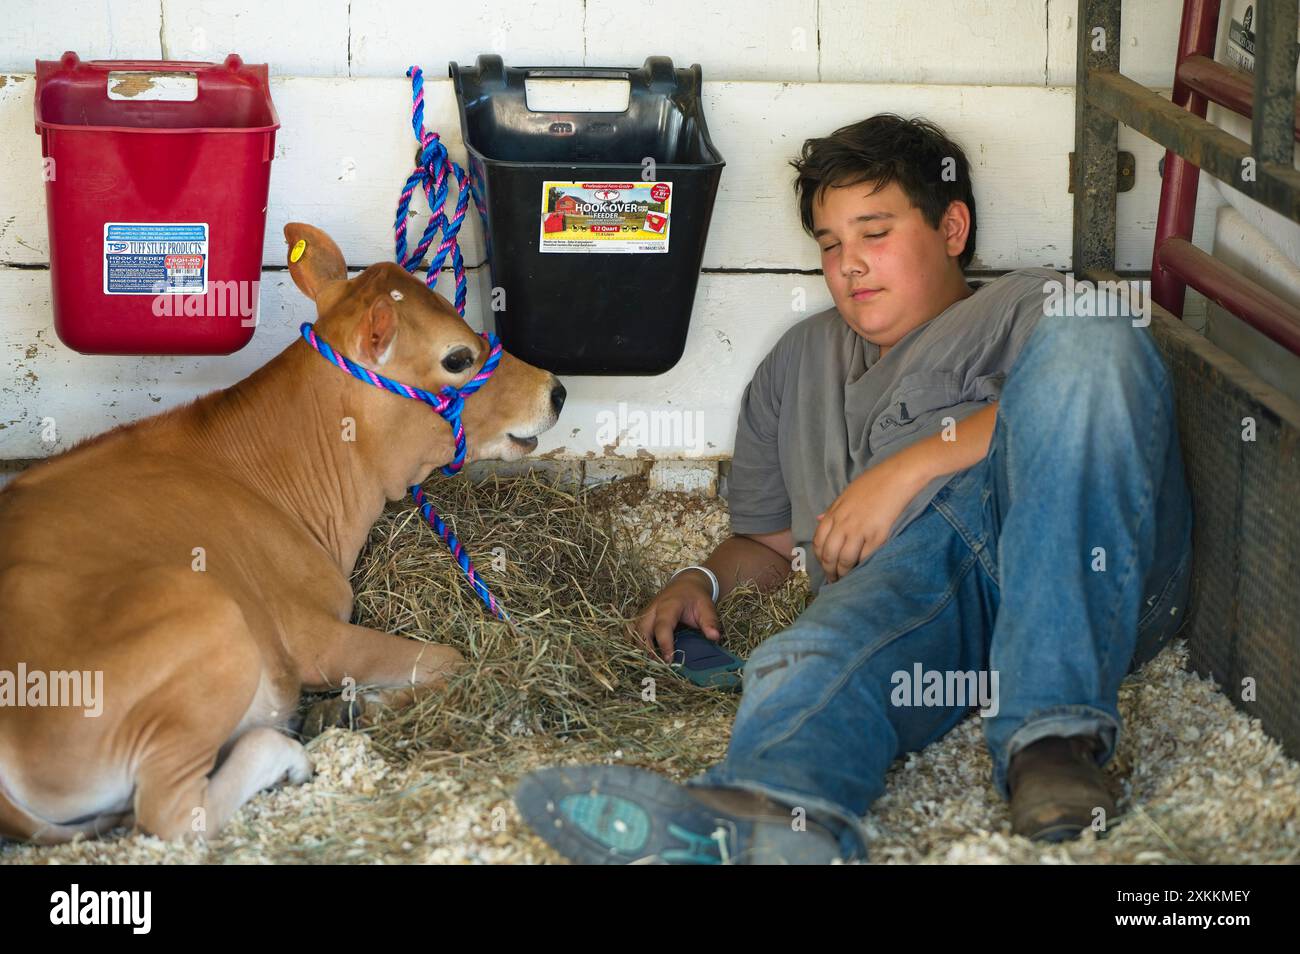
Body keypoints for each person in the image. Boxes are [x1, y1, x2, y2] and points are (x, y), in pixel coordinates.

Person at [514, 113, 1194, 864]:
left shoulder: (1023, 307)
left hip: (1076, 567)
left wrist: (906, 468)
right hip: (922, 607)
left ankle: (1054, 741)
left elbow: (1097, 382)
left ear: (953, 226)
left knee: (1093, 334)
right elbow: (766, 544)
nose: (849, 265)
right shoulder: (795, 366)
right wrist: (700, 577)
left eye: (875, 233)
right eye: (831, 245)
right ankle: (768, 814)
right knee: (815, 649)